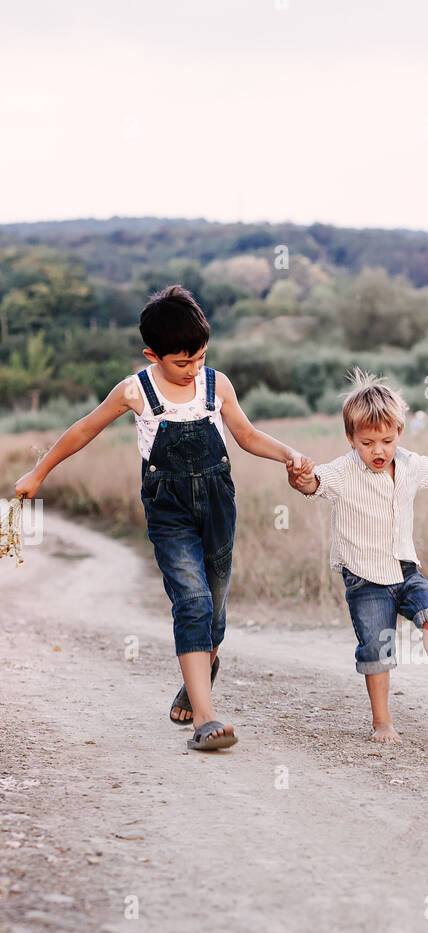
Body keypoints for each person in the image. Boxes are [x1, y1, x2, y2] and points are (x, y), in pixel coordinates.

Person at [14, 285, 312, 752]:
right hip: (168, 512)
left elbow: (247, 435)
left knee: (214, 612)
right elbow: (84, 429)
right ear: (152, 354)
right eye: (182, 362)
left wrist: (289, 454)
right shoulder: (137, 390)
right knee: (191, 602)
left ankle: (199, 678)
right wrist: (39, 471)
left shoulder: (218, 385)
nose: (193, 369)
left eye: (200, 358)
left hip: (218, 505)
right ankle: (207, 720)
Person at [289, 370, 428, 743]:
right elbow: (312, 483)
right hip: (365, 579)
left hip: (404, 570)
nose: (379, 450)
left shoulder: (410, 464)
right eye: (367, 443)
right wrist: (299, 477)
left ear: (399, 433)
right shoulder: (341, 471)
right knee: (377, 648)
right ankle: (382, 721)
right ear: (351, 438)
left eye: (387, 440)